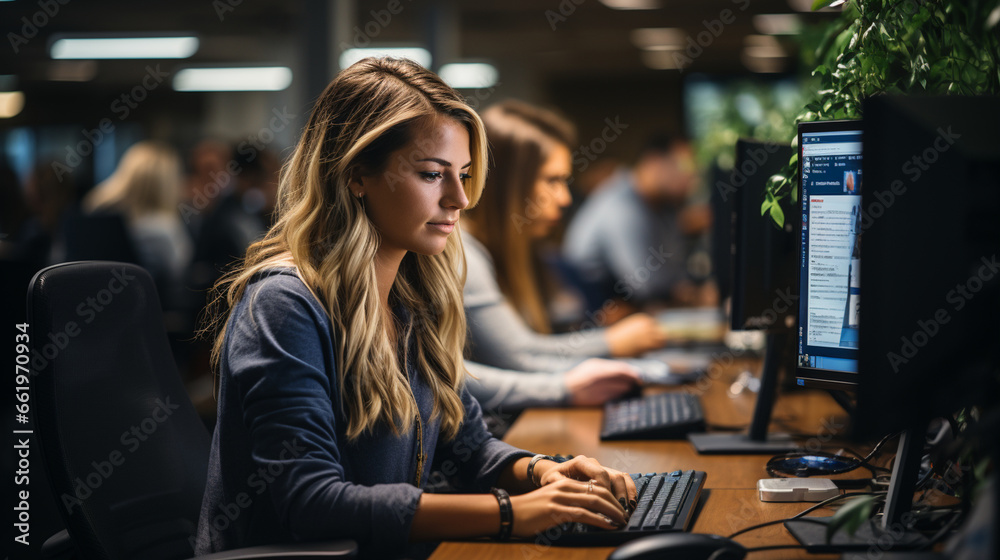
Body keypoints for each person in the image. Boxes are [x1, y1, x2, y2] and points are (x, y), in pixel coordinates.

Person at [195, 58, 636, 559]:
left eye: (463, 175)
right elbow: (312, 502)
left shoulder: (411, 294)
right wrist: (511, 513)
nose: (460, 199)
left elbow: (468, 444)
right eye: (431, 174)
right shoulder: (284, 306)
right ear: (356, 175)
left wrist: (543, 471)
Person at [459, 101, 669, 410]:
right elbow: (521, 357)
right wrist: (611, 343)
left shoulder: (521, 252)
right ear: (507, 183)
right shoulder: (463, 255)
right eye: (552, 180)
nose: (564, 198)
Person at [563, 133, 712, 314]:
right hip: (598, 316)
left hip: (640, 313)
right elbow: (647, 286)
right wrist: (693, 294)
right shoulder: (621, 205)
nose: (692, 177)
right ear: (654, 162)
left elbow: (675, 269)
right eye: (685, 166)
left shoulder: (664, 206)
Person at [83, 141, 193, 304]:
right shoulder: (163, 228)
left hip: (91, 307)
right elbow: (180, 273)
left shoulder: (92, 214)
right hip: (147, 313)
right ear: (166, 183)